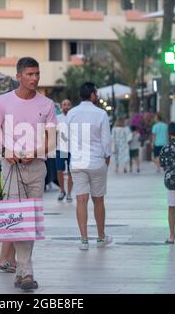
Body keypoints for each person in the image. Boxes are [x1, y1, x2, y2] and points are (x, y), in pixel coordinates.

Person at [0, 57, 57, 291]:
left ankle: (21, 271)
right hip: (11, 167)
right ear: (18, 76)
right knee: (18, 218)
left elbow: (52, 140)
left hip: (37, 167)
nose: (34, 78)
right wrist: (5, 151)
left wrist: (34, 152)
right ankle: (27, 272)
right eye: (29, 74)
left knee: (31, 220)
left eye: (37, 73)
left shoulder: (46, 104)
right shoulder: (3, 102)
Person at [66, 82, 112, 251]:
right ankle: (101, 237)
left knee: (81, 200)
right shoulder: (101, 114)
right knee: (98, 200)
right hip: (96, 161)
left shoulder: (71, 113)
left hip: (77, 161)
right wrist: (107, 157)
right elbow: (106, 140)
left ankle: (84, 240)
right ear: (92, 95)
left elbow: (65, 139)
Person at [56, 99, 73, 203]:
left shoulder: (74, 117)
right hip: (61, 148)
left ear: (71, 106)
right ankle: (62, 190)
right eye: (64, 104)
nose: (66, 106)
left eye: (68, 104)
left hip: (72, 149)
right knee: (60, 170)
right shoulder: (57, 118)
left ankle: (70, 194)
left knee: (71, 172)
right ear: (61, 107)